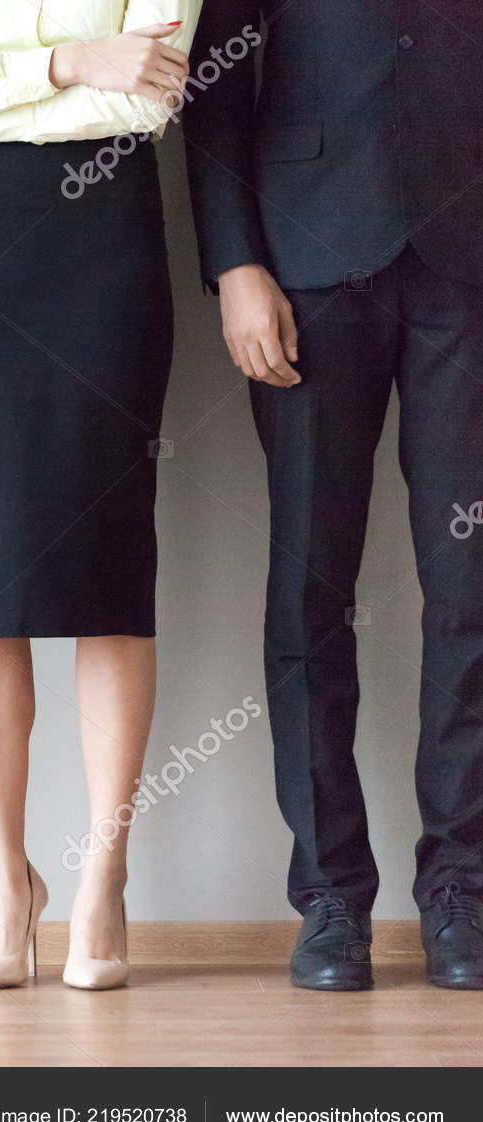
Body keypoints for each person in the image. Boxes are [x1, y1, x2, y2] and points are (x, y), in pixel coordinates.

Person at [0, 0, 200, 990]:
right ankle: (4, 890)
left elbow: (144, 100)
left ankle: (102, 880)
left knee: (106, 572)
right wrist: (70, 59)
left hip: (101, 237)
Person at [184, 0, 483, 991]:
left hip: (467, 269)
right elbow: (215, 88)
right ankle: (327, 898)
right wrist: (234, 265)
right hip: (306, 261)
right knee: (309, 589)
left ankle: (460, 893)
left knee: (469, 589)